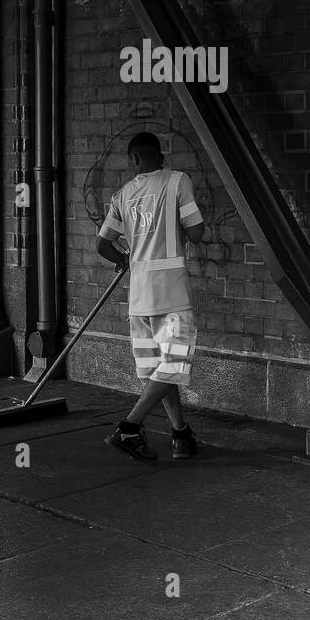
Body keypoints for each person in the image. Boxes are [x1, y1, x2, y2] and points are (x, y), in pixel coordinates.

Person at [96, 131, 205, 461]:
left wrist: (125, 260)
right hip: (172, 296)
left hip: (139, 301)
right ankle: (129, 427)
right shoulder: (177, 182)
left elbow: (103, 245)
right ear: (160, 155)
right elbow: (197, 233)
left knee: (160, 370)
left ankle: (180, 435)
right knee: (171, 368)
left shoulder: (122, 196)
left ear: (133, 160)